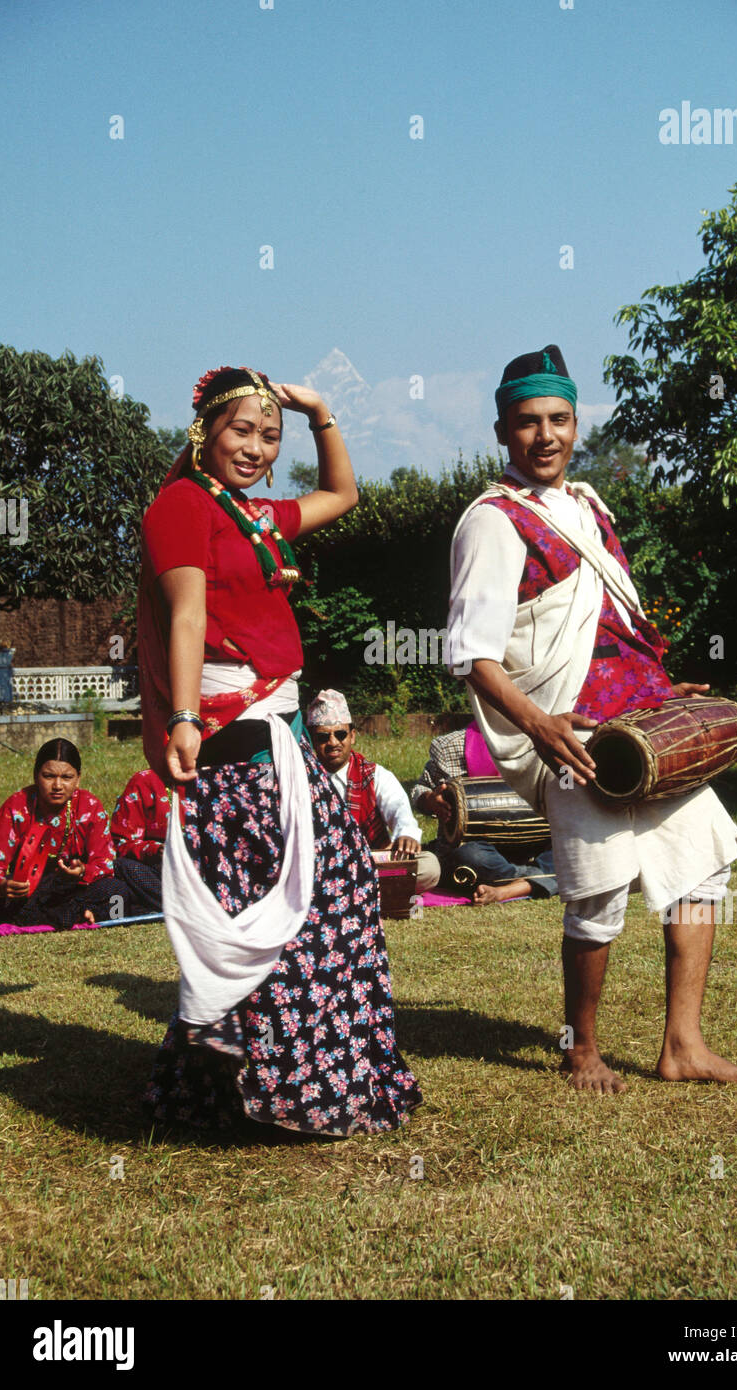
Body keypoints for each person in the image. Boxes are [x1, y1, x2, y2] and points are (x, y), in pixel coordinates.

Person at [447, 343, 737, 1093]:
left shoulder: (589, 506)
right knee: (595, 891)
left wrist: (660, 680)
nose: (545, 435)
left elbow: (615, 619)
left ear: (576, 423)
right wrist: (539, 726)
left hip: (642, 722)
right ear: (502, 431)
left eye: (558, 419)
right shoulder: (491, 522)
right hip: (572, 731)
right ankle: (581, 1047)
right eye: (527, 422)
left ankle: (682, 1045)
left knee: (705, 868)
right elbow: (472, 654)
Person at [137, 365, 421, 1136]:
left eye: (270, 436)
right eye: (242, 431)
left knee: (327, 892)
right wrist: (185, 718)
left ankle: (273, 1073)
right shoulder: (181, 505)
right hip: (233, 727)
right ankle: (268, 1072)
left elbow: (342, 496)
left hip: (280, 729)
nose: (257, 448)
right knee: (286, 892)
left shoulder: (254, 516)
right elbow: (186, 616)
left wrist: (322, 412)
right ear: (204, 432)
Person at [306, 688, 441, 894]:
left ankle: (340, 893)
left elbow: (399, 809)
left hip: (370, 861)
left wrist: (406, 834)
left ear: (352, 736)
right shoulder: (302, 776)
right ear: (313, 741)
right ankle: (368, 893)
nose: (333, 743)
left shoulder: (375, 774)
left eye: (340, 734)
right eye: (323, 737)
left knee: (429, 866)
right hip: (321, 865)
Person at [411, 721, 557, 904]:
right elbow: (420, 788)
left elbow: (568, 782)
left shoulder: (545, 739)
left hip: (533, 845)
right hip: (479, 847)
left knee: (572, 845)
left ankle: (508, 889)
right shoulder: (452, 746)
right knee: (469, 856)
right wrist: (429, 799)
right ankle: (542, 878)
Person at [0, 739, 120, 929]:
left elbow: (105, 863)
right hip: (26, 892)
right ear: (35, 775)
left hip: (73, 889)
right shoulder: (16, 807)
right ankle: (76, 915)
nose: (57, 785)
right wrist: (3, 885)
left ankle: (67, 914)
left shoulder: (90, 807)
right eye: (48, 776)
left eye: (66, 777)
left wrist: (81, 871)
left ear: (78, 778)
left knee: (117, 892)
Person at [110, 767, 171, 915]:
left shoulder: (213, 777)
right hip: (161, 870)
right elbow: (122, 845)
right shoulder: (144, 782)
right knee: (120, 867)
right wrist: (156, 850)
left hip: (207, 871)